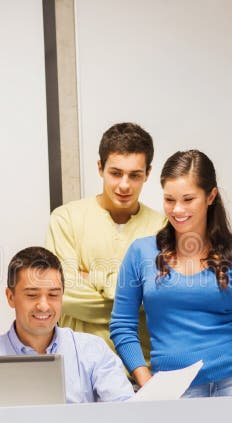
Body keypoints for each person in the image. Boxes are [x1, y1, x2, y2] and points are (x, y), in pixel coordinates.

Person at [110, 149, 232, 397]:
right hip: (172, 388)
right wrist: (147, 383)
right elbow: (122, 325)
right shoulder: (140, 253)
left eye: (188, 200)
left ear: (211, 196)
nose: (178, 210)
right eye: (169, 200)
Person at [0, 246, 133, 423]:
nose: (44, 305)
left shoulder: (92, 351)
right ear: (10, 297)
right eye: (32, 295)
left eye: (53, 295)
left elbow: (126, 411)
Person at [46, 122, 164, 366]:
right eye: (116, 173)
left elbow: (157, 303)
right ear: (100, 168)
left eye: (135, 175)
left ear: (148, 174)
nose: (124, 184)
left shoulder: (162, 227)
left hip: (141, 370)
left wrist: (93, 278)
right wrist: (131, 294)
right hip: (79, 371)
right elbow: (63, 297)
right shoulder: (65, 219)